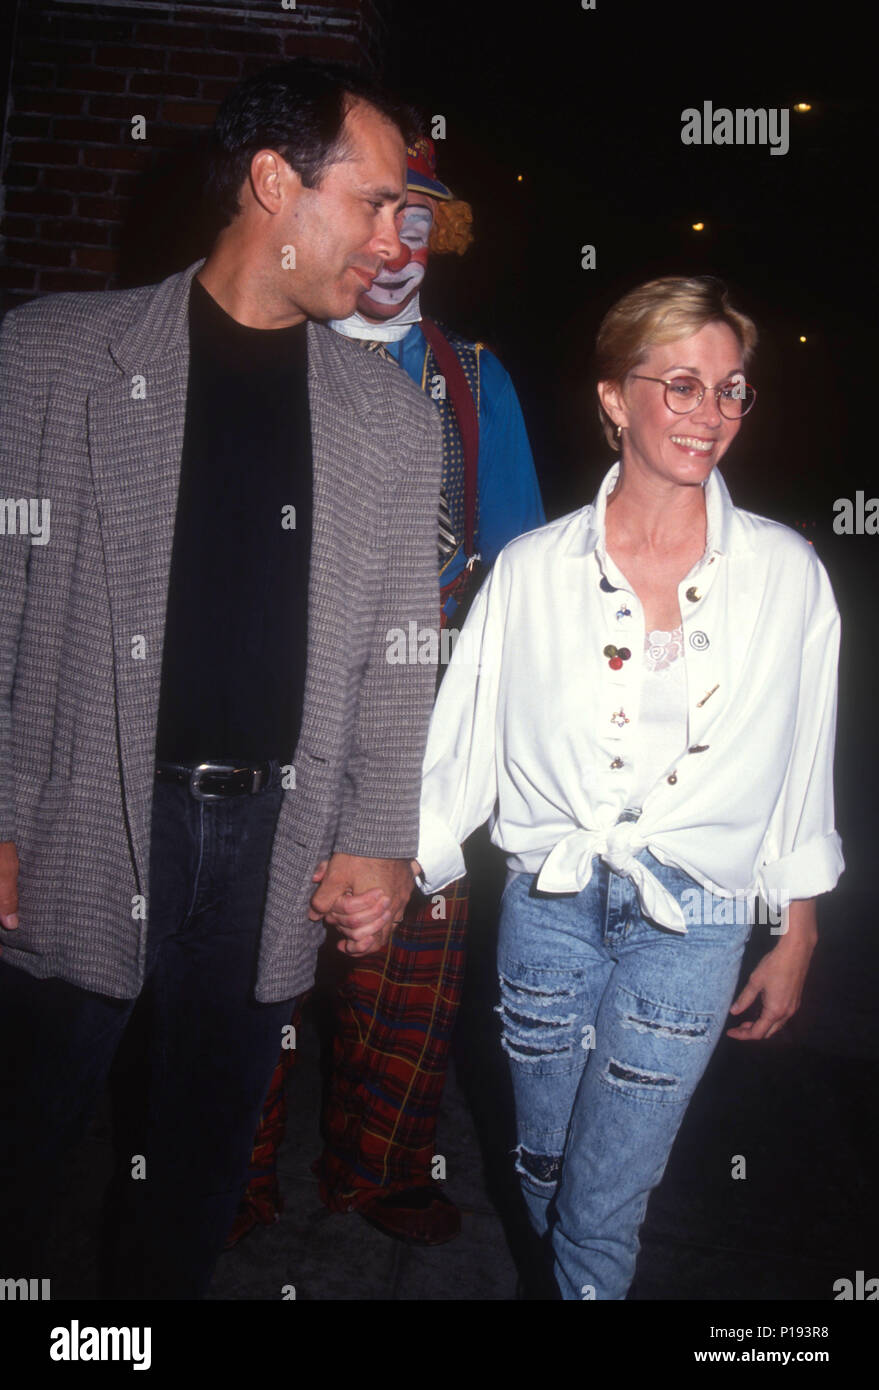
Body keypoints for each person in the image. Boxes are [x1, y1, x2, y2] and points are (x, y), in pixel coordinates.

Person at [0, 60, 443, 1300]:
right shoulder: (50, 356)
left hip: (274, 846)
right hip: (79, 812)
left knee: (196, 1177)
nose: (393, 237)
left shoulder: (394, 420)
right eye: (372, 202)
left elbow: (405, 646)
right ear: (271, 182)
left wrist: (381, 836)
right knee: (22, 1145)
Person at [346, 274, 844, 1298]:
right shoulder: (531, 572)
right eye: (682, 386)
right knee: (545, 1174)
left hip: (695, 920)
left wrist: (796, 925)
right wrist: (403, 868)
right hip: (547, 914)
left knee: (607, 1200)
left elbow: (805, 759)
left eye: (731, 390)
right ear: (616, 399)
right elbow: (466, 749)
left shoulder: (786, 575)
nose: (711, 414)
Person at [227, 135, 544, 1248]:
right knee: (249, 958)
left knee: (409, 953)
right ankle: (234, 1167)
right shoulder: (266, 354)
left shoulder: (475, 376)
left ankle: (381, 1163)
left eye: (421, 225)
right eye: (382, 216)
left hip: (428, 710)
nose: (395, 247)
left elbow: (518, 568)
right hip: (277, 694)